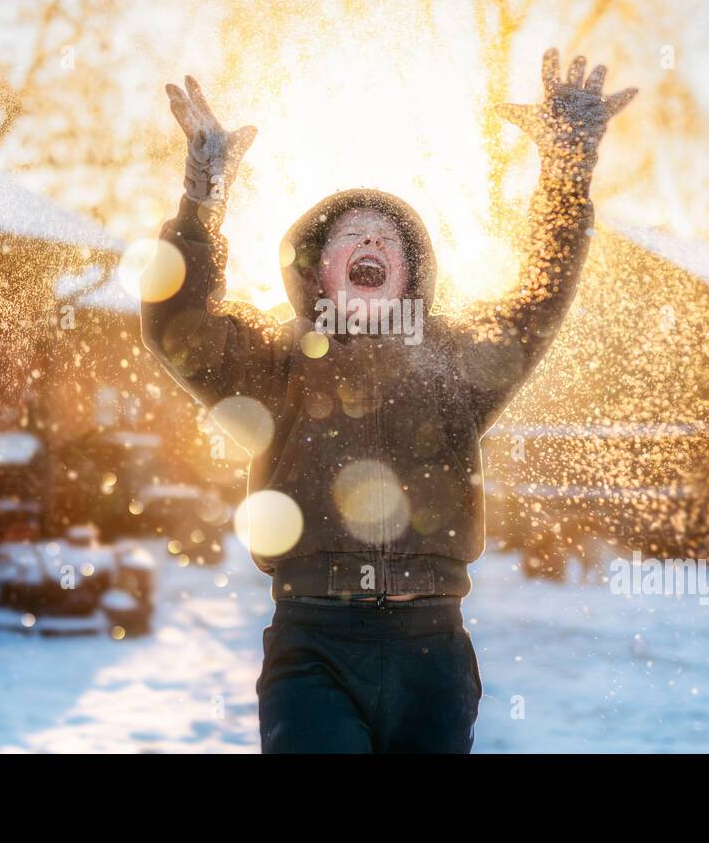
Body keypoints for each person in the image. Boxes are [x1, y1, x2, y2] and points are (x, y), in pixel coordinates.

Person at [143, 48, 636, 753]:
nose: (371, 236)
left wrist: (565, 173)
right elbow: (175, 322)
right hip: (313, 646)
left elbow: (539, 298)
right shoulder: (273, 363)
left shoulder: (458, 363)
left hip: (431, 653)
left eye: (389, 238)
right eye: (351, 234)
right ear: (317, 275)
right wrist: (203, 200)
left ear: (409, 277)